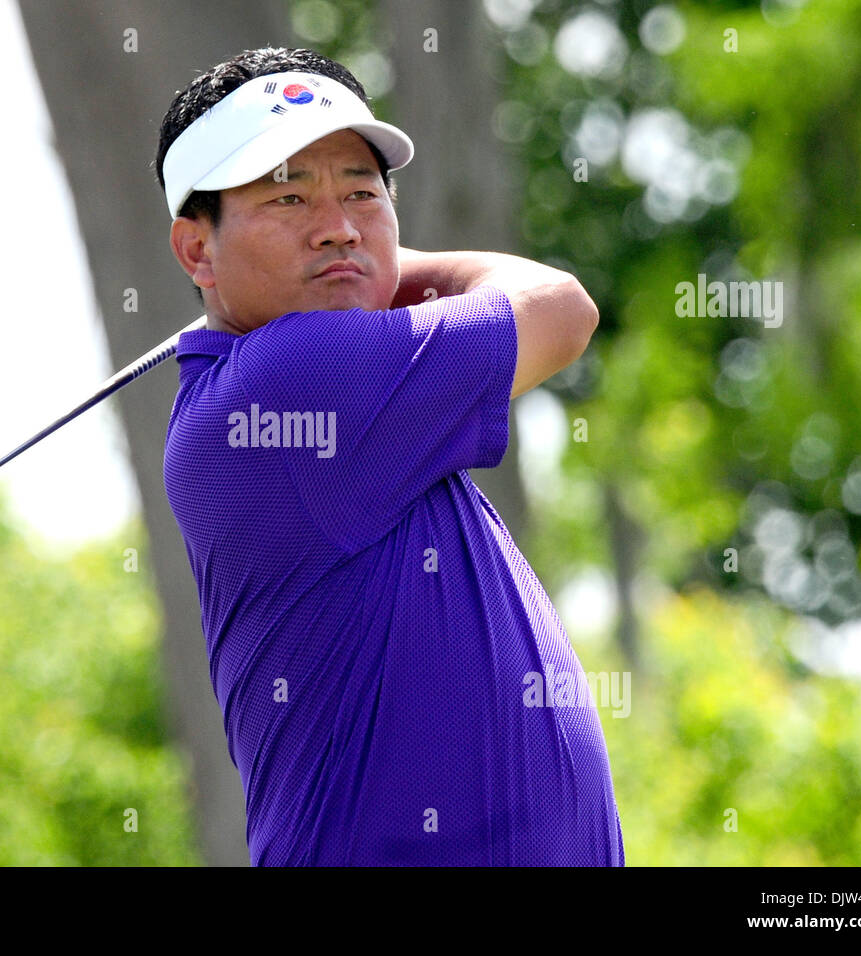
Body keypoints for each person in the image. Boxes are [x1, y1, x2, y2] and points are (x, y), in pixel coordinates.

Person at [155, 46, 623, 866]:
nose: (336, 222)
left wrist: (348, 264)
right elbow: (561, 308)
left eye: (363, 194)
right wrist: (367, 262)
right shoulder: (295, 379)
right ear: (197, 252)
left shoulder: (311, 384)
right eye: (289, 195)